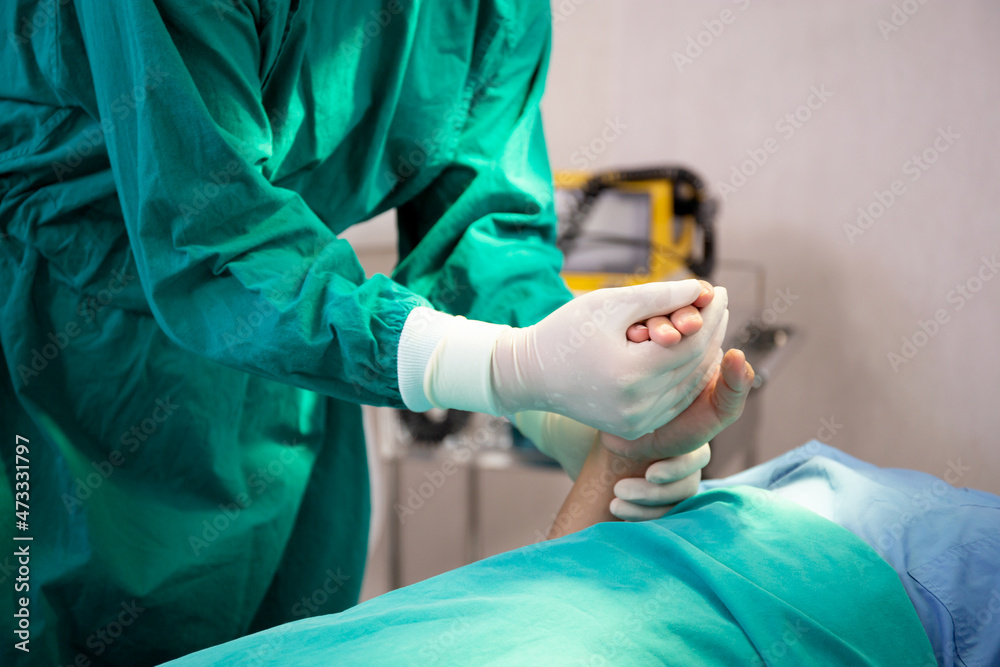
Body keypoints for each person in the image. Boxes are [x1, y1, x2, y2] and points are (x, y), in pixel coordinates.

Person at [1, 1, 726, 664]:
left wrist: (572, 409)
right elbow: (215, 237)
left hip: (287, 382)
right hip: (65, 376)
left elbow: (482, 231)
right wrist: (508, 364)